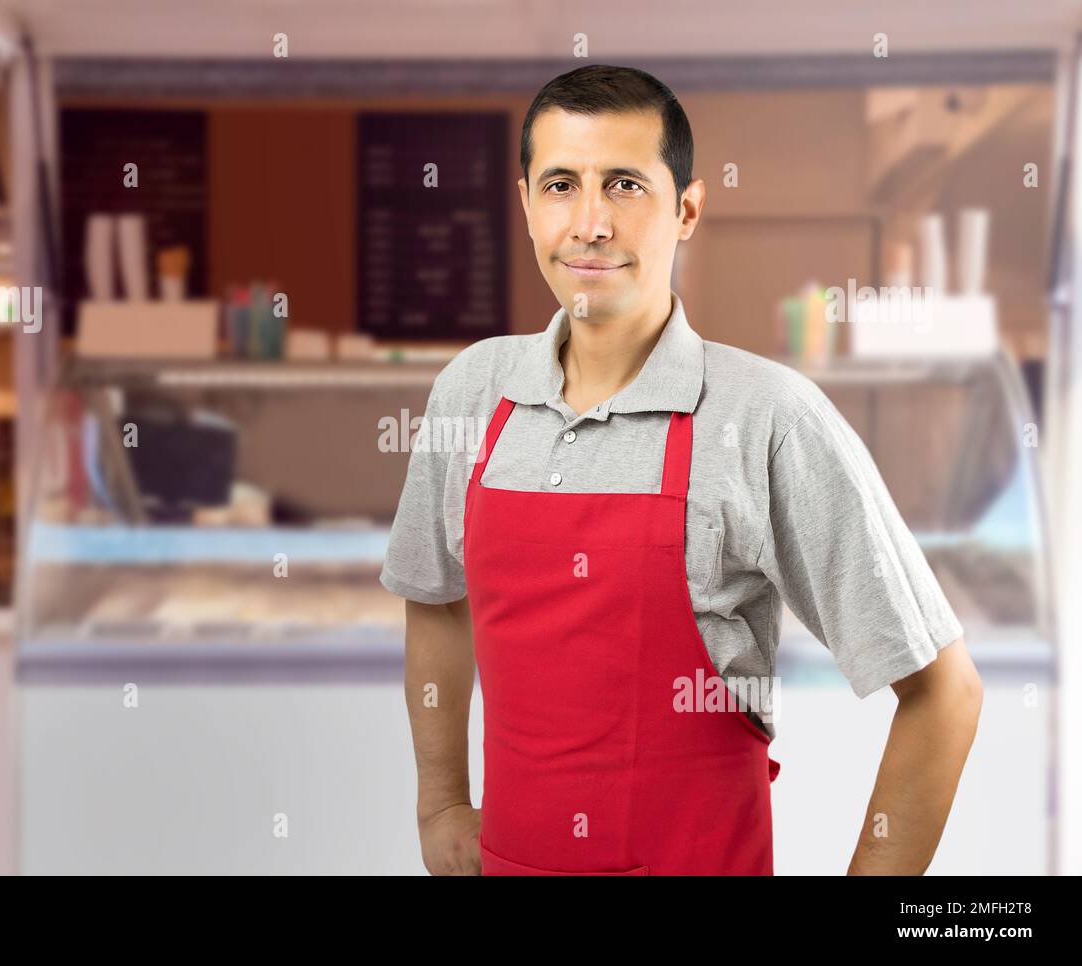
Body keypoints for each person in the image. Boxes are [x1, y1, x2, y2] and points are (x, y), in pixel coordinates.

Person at [380, 64, 981, 876]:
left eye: (624, 185)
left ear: (686, 209)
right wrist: (443, 801)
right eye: (562, 184)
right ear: (525, 203)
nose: (590, 223)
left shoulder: (766, 416)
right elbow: (437, 598)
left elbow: (944, 693)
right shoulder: (473, 391)